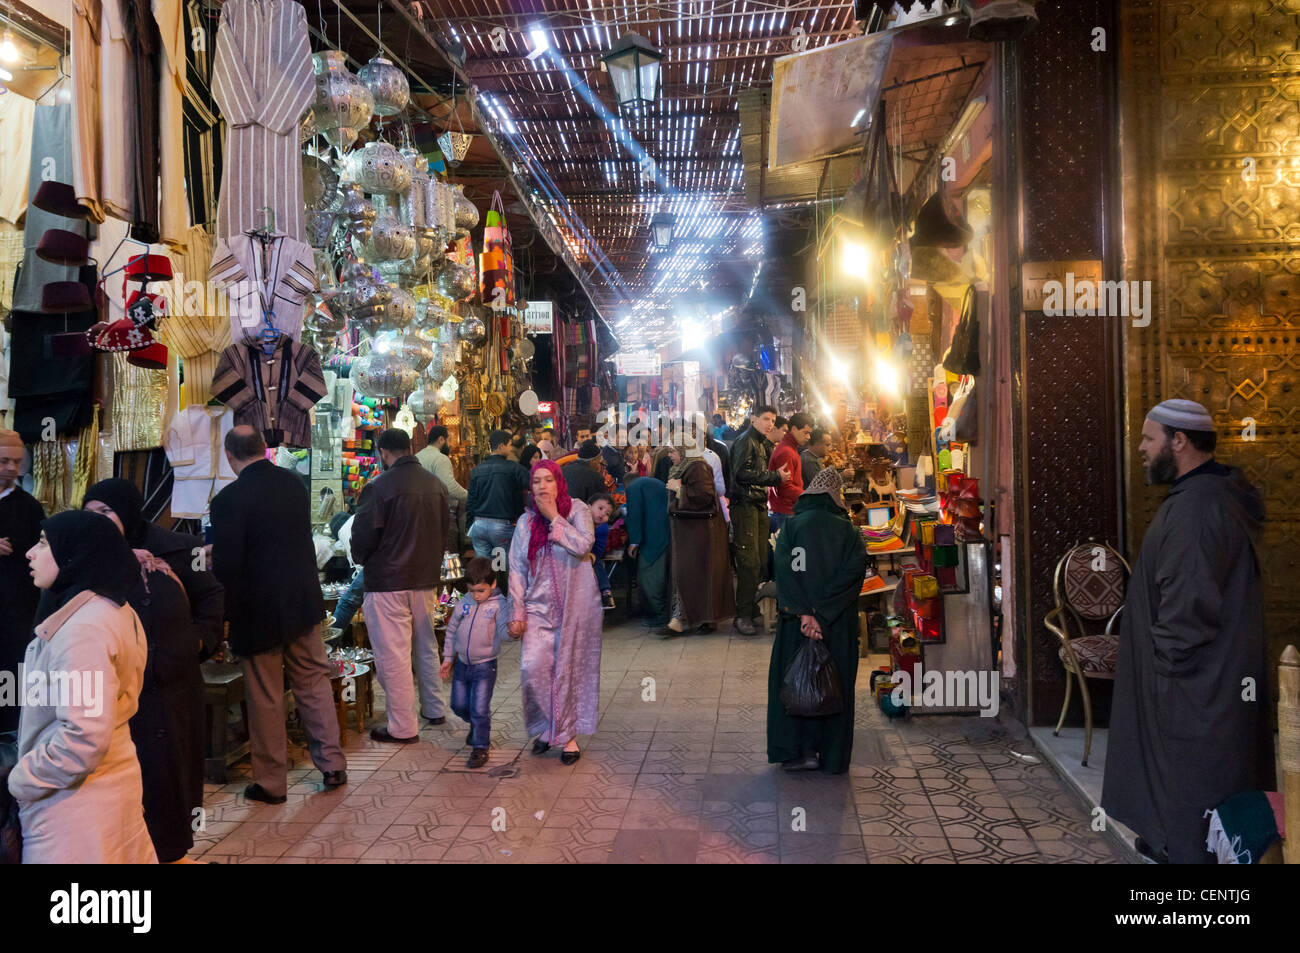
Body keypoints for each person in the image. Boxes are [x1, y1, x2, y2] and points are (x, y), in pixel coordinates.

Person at [1101, 399, 1274, 864]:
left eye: (1147, 438)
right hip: (1205, 680)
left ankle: (1186, 853)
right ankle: (1173, 843)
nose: (1139, 448)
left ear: (1178, 442)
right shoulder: (1205, 497)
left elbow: (1188, 605)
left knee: (1192, 778)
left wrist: (1165, 673)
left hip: (1194, 686)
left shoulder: (1196, 510)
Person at [9, 510, 157, 863]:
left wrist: (21, 780)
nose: (30, 553)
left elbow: (82, 740)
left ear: (75, 552)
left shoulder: (82, 630)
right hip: (107, 788)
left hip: (74, 810)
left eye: (44, 544)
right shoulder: (111, 608)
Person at [210, 426, 347, 802]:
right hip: (302, 603)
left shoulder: (227, 501)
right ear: (262, 448)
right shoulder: (292, 486)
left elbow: (227, 567)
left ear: (229, 455)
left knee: (266, 697)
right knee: (314, 683)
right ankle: (333, 765)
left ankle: (272, 784)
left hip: (257, 611)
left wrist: (220, 614)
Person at [82, 480, 205, 863]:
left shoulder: (171, 548)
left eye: (106, 512)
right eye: (91, 514)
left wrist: (199, 641)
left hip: (171, 684)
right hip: (120, 691)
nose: (99, 522)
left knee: (171, 776)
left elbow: (210, 592)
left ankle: (171, 850)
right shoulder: (86, 556)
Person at [351, 428, 457, 744]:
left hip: (388, 581)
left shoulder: (378, 487)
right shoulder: (436, 485)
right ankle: (434, 709)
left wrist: (361, 558)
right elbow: (445, 532)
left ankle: (402, 726)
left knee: (393, 654)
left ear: (383, 452)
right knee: (425, 644)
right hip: (424, 579)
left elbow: (362, 539)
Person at [767, 469, 867, 774]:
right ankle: (833, 757)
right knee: (835, 688)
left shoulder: (794, 527)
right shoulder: (849, 532)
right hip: (836, 627)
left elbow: (786, 571)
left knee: (794, 686)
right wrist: (824, 613)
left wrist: (806, 612)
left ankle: (800, 751)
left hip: (797, 624)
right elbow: (852, 574)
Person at [508, 460, 602, 764]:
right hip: (537, 609)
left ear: (558, 482)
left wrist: (554, 519)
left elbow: (583, 545)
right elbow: (516, 569)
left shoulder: (577, 510)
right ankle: (549, 727)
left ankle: (567, 737)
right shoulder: (525, 523)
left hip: (576, 607)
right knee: (532, 670)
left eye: (548, 480)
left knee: (567, 672)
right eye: (537, 481)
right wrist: (517, 612)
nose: (542, 486)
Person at [440, 557, 514, 769]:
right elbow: (452, 630)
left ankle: (480, 747)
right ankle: (475, 723)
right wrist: (447, 658)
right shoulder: (464, 602)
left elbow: (503, 632)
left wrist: (513, 634)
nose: (476, 595)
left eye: (480, 590)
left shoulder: (500, 604)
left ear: (492, 584)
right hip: (462, 665)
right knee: (458, 705)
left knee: (480, 709)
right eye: (471, 590)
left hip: (485, 666)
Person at [728, 405, 791, 636]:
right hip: (744, 506)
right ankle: (743, 615)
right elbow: (741, 474)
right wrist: (775, 477)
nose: (770, 423)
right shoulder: (746, 441)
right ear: (753, 418)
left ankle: (751, 609)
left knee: (760, 561)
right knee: (749, 561)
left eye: (772, 419)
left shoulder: (762, 442)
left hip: (757, 505)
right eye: (766, 418)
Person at [0, 429, 43, 756]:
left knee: (12, 678)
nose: (12, 469)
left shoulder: (28, 507)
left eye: (16, 461)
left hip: (17, 612)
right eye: (4, 461)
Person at [666, 447, 735, 634]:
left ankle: (701, 619)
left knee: (699, 574)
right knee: (698, 575)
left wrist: (679, 489)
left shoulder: (697, 467)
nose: (670, 455)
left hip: (703, 533)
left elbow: (703, 496)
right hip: (696, 532)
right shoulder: (688, 466)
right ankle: (693, 618)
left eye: (673, 451)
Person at [625, 449, 672, 628]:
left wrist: (634, 542)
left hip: (654, 538)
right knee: (662, 576)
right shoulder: (651, 483)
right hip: (666, 532)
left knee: (649, 577)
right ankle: (661, 612)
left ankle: (660, 615)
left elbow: (634, 515)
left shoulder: (633, 489)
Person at [466, 429, 529, 561]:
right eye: (510, 444)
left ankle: (483, 582)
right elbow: (531, 483)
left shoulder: (477, 470)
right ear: (501, 446)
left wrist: (469, 523)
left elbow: (471, 500)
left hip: (479, 525)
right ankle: (500, 582)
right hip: (501, 526)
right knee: (500, 566)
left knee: (482, 566)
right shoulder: (512, 468)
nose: (511, 448)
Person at [417, 425, 469, 547]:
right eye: (449, 440)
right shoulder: (440, 458)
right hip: (438, 515)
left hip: (420, 514)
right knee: (447, 554)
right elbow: (449, 487)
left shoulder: (418, 456)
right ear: (441, 439)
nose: (450, 444)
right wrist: (470, 496)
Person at [769, 412, 813, 537]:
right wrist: (807, 497)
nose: (809, 437)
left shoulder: (790, 448)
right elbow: (785, 487)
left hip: (787, 510)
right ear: (793, 429)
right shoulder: (786, 452)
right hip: (785, 512)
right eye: (806, 432)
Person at [589, 492, 616, 609]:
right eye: (600, 508)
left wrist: (592, 556)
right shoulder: (578, 518)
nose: (602, 514)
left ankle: (605, 591)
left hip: (593, 553)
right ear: (588, 506)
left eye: (607, 514)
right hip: (575, 552)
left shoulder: (602, 527)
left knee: (597, 564)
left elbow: (599, 548)